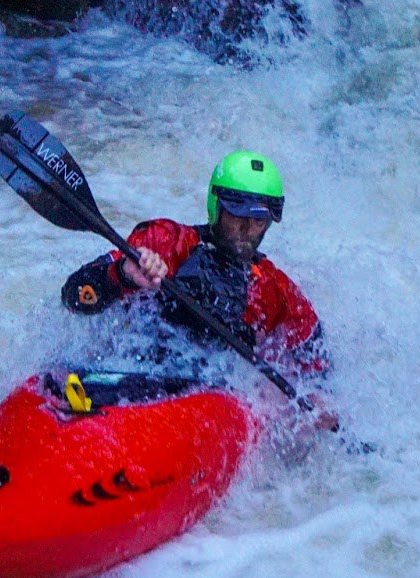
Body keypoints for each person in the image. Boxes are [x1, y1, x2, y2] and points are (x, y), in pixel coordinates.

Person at [62, 150, 336, 427]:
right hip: (126, 373)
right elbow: (75, 295)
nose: (246, 229)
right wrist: (122, 275)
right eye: (237, 216)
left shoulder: (274, 288)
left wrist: (318, 396)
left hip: (203, 402)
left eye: (257, 221)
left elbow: (315, 358)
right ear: (215, 207)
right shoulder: (166, 242)